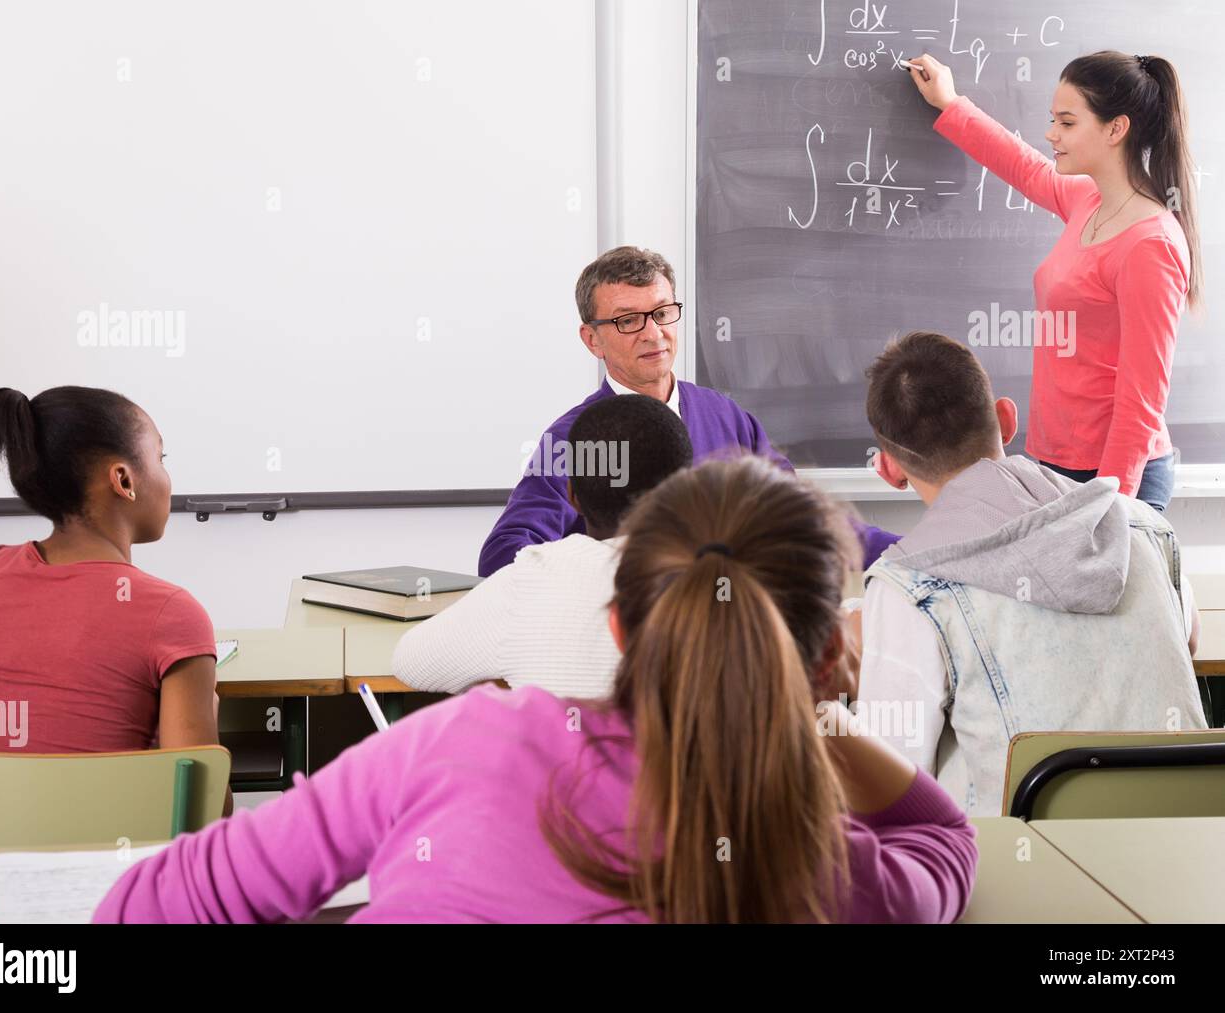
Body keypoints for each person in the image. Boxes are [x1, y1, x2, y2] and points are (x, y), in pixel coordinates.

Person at [95, 457, 976, 924]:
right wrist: (809, 707)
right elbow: (942, 839)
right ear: (829, 660)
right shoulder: (818, 868)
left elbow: (152, 903)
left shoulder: (462, 744)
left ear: (620, 632)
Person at [857, 331, 1205, 816]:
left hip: (1029, 877)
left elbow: (889, 783)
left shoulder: (908, 589)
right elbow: (1186, 640)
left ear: (890, 468)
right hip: (1194, 854)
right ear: (1005, 418)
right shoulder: (1142, 526)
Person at [478, 245, 898, 576]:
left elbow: (801, 520)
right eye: (628, 321)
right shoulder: (576, 438)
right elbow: (504, 556)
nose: (653, 333)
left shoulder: (728, 418)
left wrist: (909, 555)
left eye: (662, 313)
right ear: (592, 340)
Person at [907, 51, 1201, 510]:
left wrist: (1111, 502)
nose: (1051, 135)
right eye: (1053, 120)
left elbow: (1143, 397)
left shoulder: (1150, 245)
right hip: (1057, 461)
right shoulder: (1090, 200)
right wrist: (951, 103)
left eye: (1066, 123)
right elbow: (1026, 168)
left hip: (1111, 475)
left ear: (1115, 129)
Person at [0, 387, 222, 785]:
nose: (167, 476)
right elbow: (203, 814)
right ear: (123, 479)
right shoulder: (174, 615)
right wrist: (210, 713)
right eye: (161, 459)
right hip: (120, 848)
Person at [394, 394, 692, 697]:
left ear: (572, 495)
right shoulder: (724, 577)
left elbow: (410, 663)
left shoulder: (529, 579)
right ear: (687, 494)